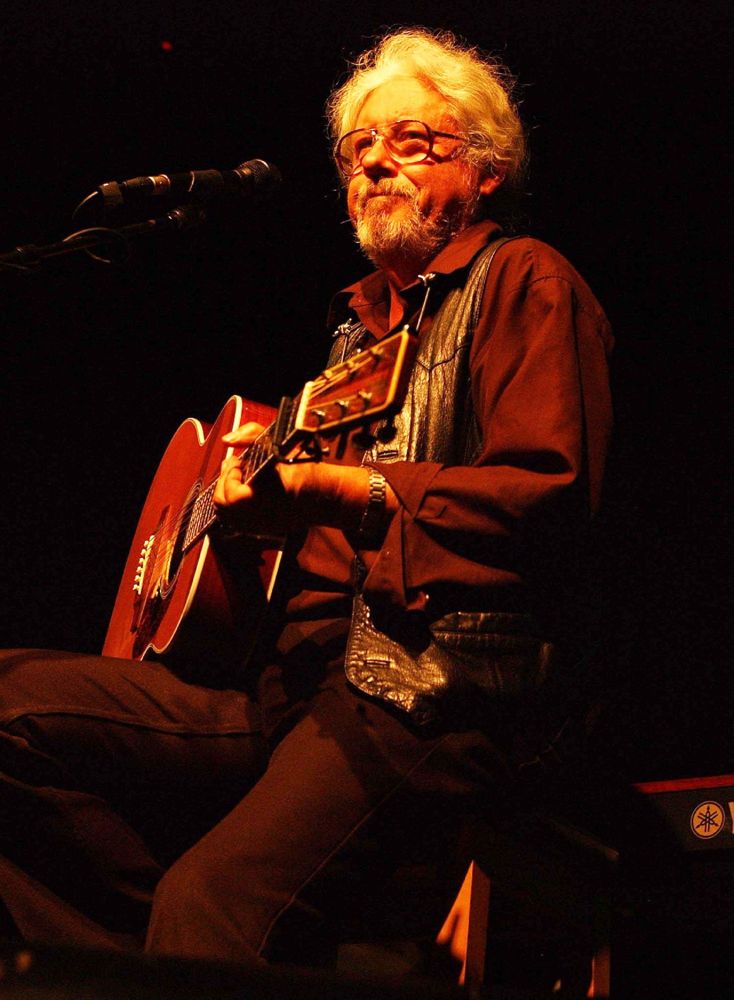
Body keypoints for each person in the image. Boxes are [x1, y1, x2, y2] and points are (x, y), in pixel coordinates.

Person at [0, 27, 613, 970]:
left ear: (486, 170)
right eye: (356, 152)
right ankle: (150, 963)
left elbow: (546, 500)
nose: (375, 166)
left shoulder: (526, 281)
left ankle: (191, 947)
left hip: (417, 685)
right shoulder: (350, 337)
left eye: (410, 142)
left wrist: (357, 489)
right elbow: (279, 549)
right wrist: (224, 534)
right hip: (284, 689)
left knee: (212, 907)